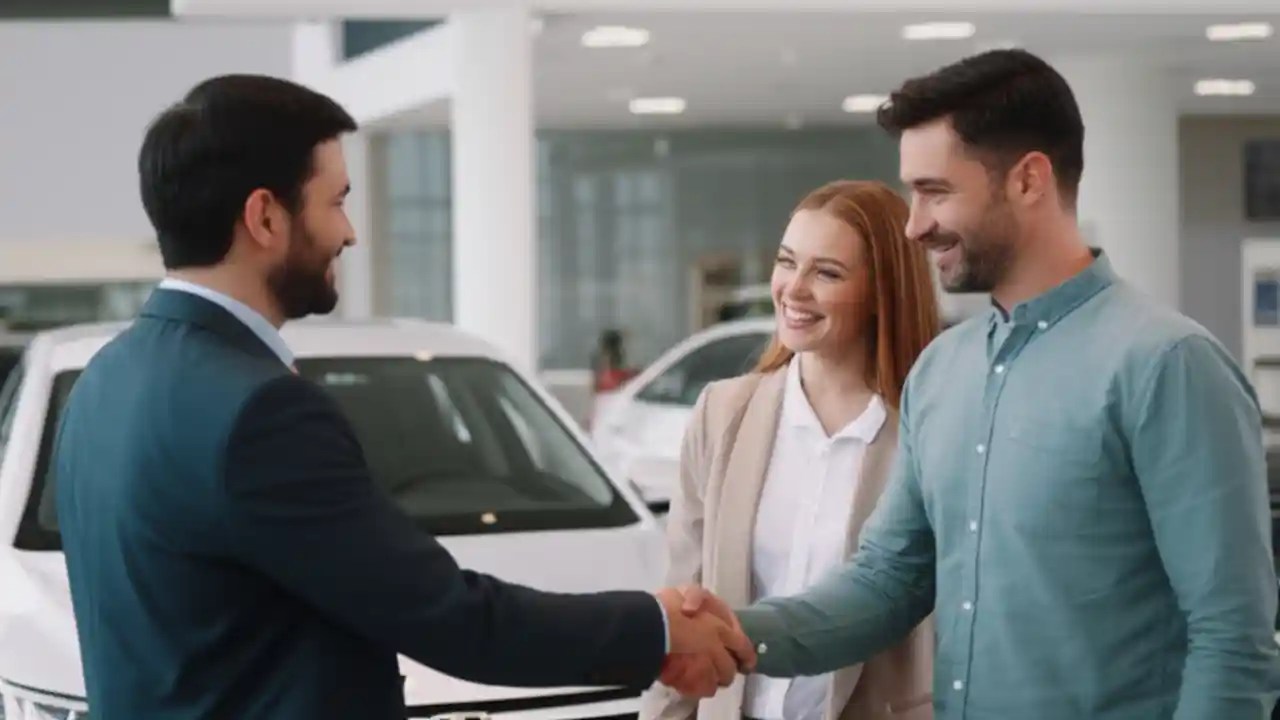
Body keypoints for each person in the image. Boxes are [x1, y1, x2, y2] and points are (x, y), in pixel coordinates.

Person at [51, 74, 753, 720]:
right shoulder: (260, 412)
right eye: (336, 202)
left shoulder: (103, 380)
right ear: (264, 217)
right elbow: (448, 617)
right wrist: (658, 625)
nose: (349, 233)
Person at [669, 49, 1280, 719]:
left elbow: (1232, 639)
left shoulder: (1168, 366)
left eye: (936, 191)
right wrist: (732, 634)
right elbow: (887, 584)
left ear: (1028, 180)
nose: (913, 224)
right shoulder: (942, 371)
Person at [641, 180, 941, 720]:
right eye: (787, 262)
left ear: (883, 292)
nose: (793, 289)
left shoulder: (928, 430)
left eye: (826, 272)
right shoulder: (722, 413)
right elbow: (685, 603)